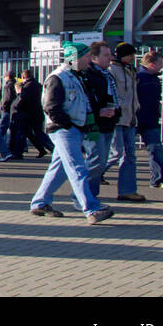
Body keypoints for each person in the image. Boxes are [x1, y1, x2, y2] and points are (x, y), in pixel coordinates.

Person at [30, 42, 113, 223]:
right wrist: (68, 125)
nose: (89, 60)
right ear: (75, 58)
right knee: (77, 168)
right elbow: (50, 106)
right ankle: (91, 209)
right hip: (64, 129)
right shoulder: (58, 77)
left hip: (71, 128)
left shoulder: (75, 76)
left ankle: (40, 202)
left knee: (59, 169)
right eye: (86, 57)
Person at [106, 43, 145, 202]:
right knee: (116, 153)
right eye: (131, 54)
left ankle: (127, 190)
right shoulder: (112, 70)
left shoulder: (131, 70)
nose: (133, 57)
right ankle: (90, 175)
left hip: (129, 117)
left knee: (130, 156)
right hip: (117, 118)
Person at [83, 42, 122, 197]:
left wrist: (116, 112)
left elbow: (113, 96)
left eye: (110, 54)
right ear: (94, 57)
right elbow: (86, 99)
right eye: (105, 55)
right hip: (94, 124)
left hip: (108, 122)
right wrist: (98, 111)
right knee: (95, 160)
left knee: (101, 161)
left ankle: (91, 196)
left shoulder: (107, 75)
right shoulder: (88, 75)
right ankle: (85, 195)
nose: (110, 58)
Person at [136, 51, 163, 189]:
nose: (161, 66)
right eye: (159, 63)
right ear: (151, 64)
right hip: (136, 118)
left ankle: (158, 180)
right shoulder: (139, 77)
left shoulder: (154, 78)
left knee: (156, 150)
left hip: (151, 119)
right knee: (121, 152)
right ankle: (100, 173)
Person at [9, 68, 51, 159]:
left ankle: (18, 153)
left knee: (24, 133)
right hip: (37, 112)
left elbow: (23, 100)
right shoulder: (38, 85)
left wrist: (17, 108)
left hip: (28, 114)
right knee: (34, 133)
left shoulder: (27, 87)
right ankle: (43, 149)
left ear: (23, 77)